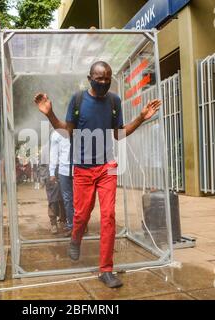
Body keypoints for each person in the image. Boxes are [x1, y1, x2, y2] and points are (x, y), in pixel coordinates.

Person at [34, 61, 161, 288]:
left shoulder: (114, 101)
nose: (103, 82)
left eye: (107, 78)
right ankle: (76, 237)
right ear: (90, 77)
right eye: (99, 78)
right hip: (82, 168)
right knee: (81, 215)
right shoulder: (78, 99)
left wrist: (141, 117)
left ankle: (106, 269)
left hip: (107, 167)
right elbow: (66, 132)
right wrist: (50, 113)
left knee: (108, 216)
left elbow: (119, 135)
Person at [49, 129, 74, 236]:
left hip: (80, 168)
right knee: (67, 199)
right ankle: (71, 225)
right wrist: (52, 172)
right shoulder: (56, 134)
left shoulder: (79, 129)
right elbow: (53, 153)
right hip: (63, 170)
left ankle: (81, 224)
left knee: (80, 199)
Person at [39, 162, 67, 234]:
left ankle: (64, 220)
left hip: (64, 173)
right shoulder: (47, 151)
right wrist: (43, 177)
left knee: (65, 199)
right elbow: (43, 163)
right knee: (53, 200)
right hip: (50, 175)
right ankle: (53, 223)